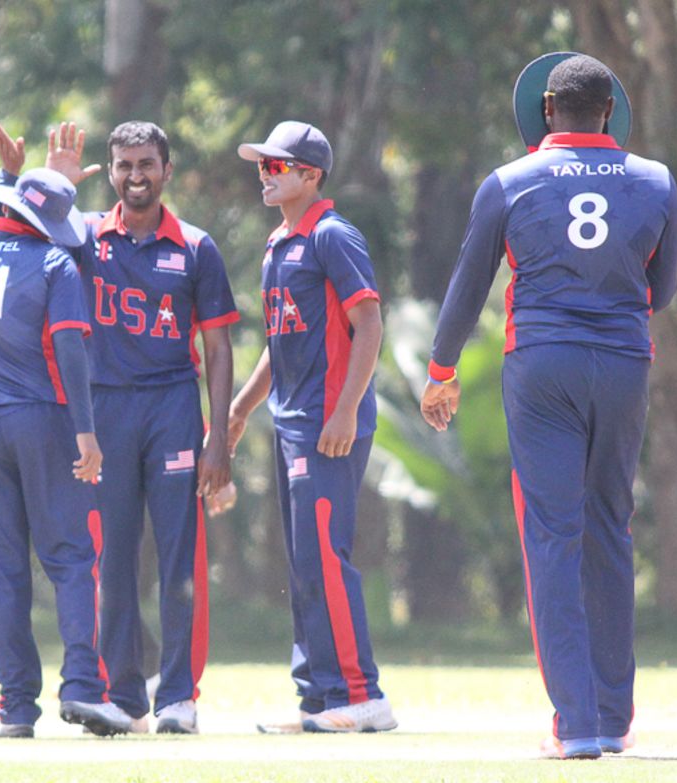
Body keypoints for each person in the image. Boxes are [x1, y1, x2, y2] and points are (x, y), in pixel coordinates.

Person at [419, 54, 677, 760]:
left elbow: (469, 285)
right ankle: (617, 717)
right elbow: (665, 289)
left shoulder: (510, 180)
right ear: (608, 111)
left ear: (545, 111)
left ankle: (577, 723)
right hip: (624, 364)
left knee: (553, 535)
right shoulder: (655, 180)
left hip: (541, 366)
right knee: (610, 529)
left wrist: (442, 371)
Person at [0, 118, 238, 734]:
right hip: (104, 413)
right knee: (112, 557)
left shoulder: (196, 248)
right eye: (124, 166)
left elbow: (221, 349)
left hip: (173, 407)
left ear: (167, 170)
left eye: (147, 164)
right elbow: (1, 240)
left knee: (179, 556)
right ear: (112, 171)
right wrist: (32, 179)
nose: (135, 176)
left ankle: (178, 694)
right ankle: (125, 695)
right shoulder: (84, 234)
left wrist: (220, 437)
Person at [0, 166, 134, 738]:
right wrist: (86, 430)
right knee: (71, 559)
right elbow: (68, 347)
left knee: (4, 571)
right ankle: (81, 687)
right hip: (41, 419)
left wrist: (8, 175)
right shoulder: (55, 264)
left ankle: (15, 708)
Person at [227, 121, 396, 733]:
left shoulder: (331, 235)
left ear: (310, 175)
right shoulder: (280, 244)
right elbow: (281, 340)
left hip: (330, 423)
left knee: (327, 557)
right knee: (303, 565)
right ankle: (320, 700)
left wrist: (347, 409)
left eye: (278, 166)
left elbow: (369, 324)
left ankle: (361, 695)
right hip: (293, 421)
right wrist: (240, 409)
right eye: (262, 165)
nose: (265, 174)